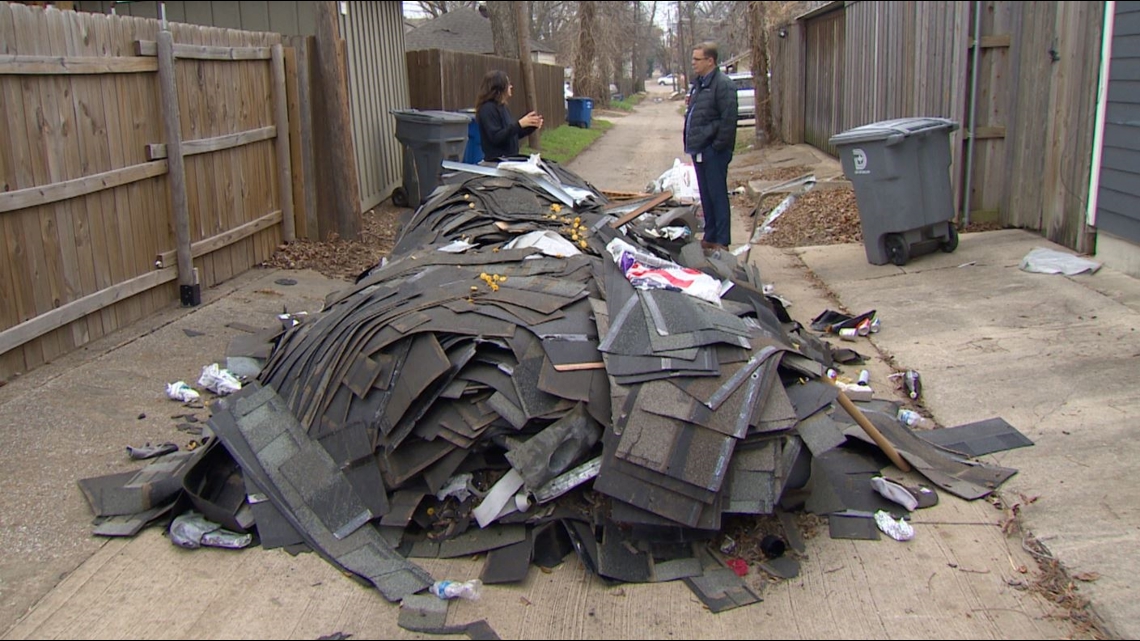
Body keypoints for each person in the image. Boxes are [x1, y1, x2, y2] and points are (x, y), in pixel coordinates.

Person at [683, 42, 738, 251]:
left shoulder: (723, 85)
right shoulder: (699, 84)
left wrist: (717, 146)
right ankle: (710, 235)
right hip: (700, 150)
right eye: (693, 59)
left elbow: (728, 119)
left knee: (717, 195)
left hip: (714, 151)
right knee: (706, 195)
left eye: (697, 59)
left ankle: (722, 240)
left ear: (710, 61)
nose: (694, 63)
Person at [475, 70, 543, 161]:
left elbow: (511, 134)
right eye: (508, 84)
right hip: (496, 162)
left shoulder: (503, 107)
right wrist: (519, 124)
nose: (511, 86)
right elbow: (496, 137)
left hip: (510, 159)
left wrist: (530, 126)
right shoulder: (487, 109)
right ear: (499, 88)